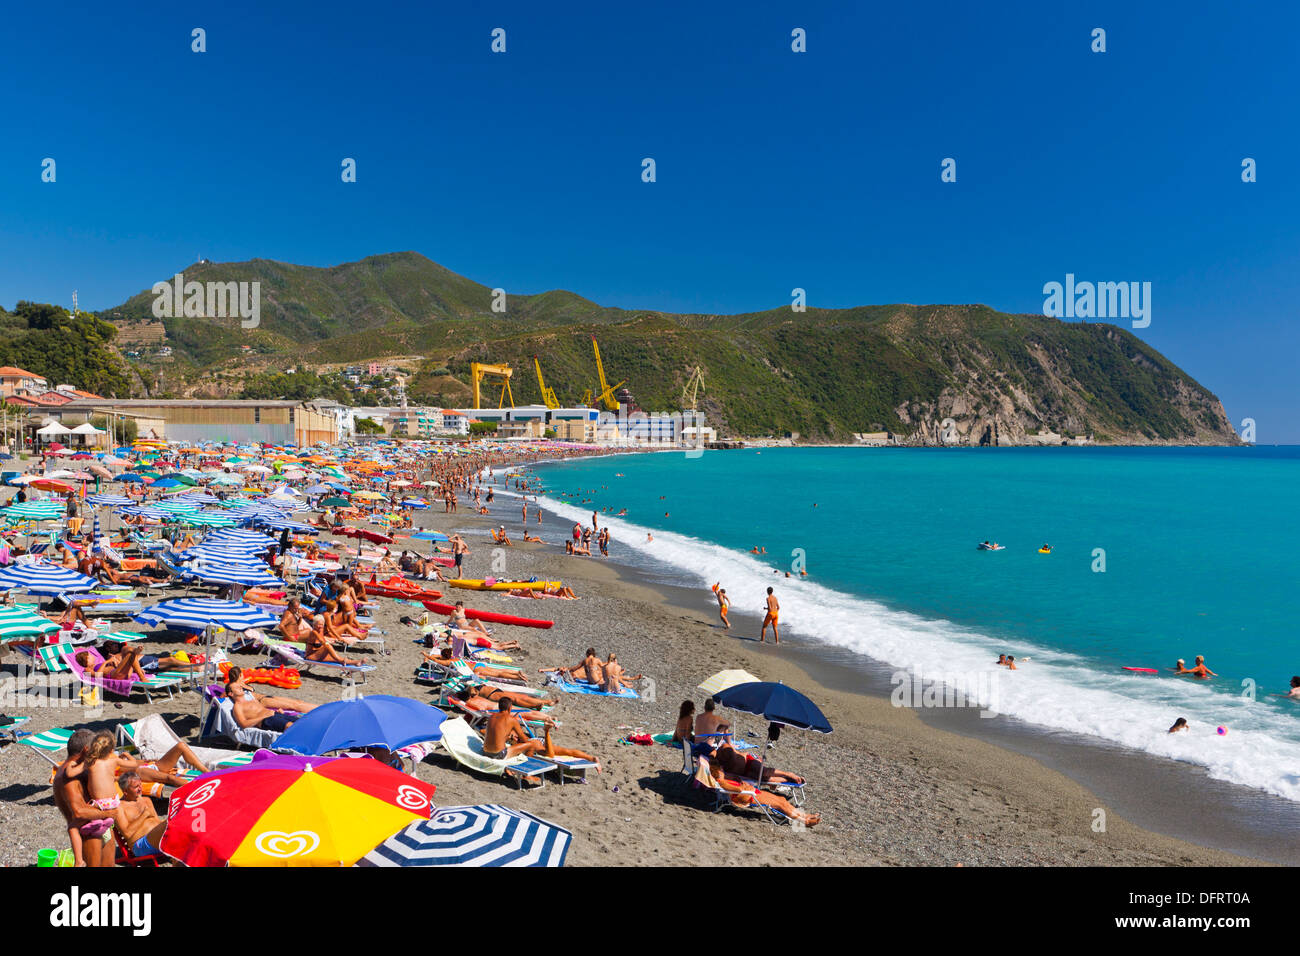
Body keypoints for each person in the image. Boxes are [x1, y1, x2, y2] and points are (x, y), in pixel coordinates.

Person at [481, 699, 598, 771]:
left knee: (564, 751)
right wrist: (511, 737)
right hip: (514, 748)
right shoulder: (510, 720)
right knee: (557, 750)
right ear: (510, 708)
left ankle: (591, 758)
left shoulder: (492, 717)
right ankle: (528, 770)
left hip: (487, 752)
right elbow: (525, 740)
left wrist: (509, 737)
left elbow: (484, 732)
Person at [707, 760, 819, 827]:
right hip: (750, 796)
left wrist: (741, 783)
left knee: (782, 799)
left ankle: (805, 815)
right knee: (779, 804)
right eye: (721, 769)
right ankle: (804, 821)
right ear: (717, 771)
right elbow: (739, 790)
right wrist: (744, 786)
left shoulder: (724, 778)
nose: (723, 769)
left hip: (752, 793)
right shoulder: (722, 782)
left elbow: (737, 782)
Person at [116, 771, 168, 860]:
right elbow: (127, 834)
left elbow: (158, 822)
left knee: (179, 821)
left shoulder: (147, 800)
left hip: (157, 839)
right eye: (136, 787)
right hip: (140, 845)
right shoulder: (119, 807)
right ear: (125, 791)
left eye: (140, 785)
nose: (140, 788)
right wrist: (145, 814)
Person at [712, 739, 805, 785]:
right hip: (745, 773)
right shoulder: (718, 764)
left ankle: (788, 774)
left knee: (764, 772)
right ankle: (789, 780)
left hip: (749, 759)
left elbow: (730, 753)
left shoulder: (724, 748)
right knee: (766, 780)